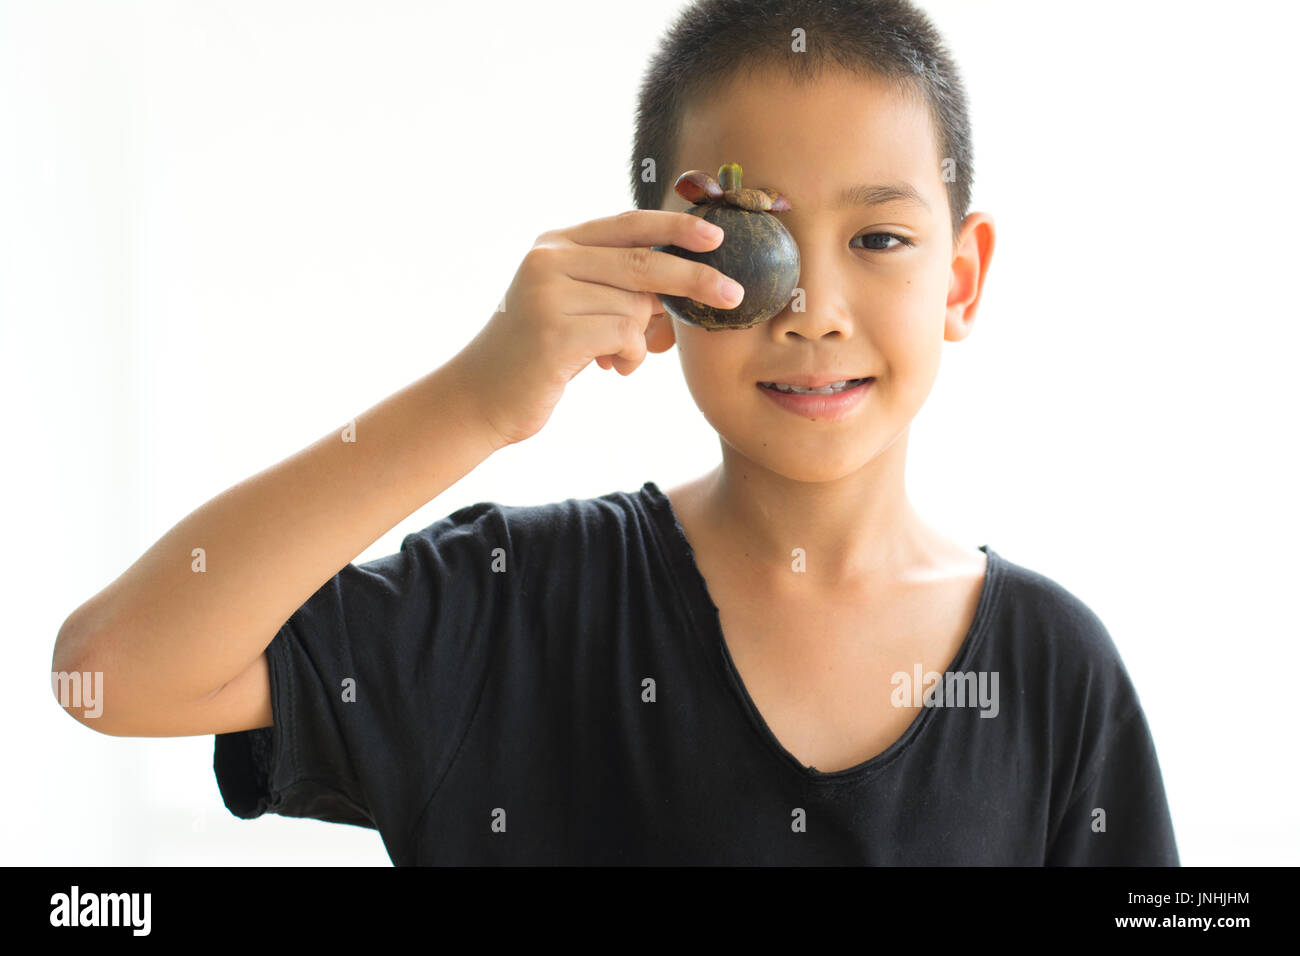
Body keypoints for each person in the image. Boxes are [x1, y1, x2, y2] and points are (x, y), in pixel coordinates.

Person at [52, 0, 1178, 865]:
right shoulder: (520, 601)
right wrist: (479, 398)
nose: (812, 309)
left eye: (880, 237)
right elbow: (112, 671)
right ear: (670, 257)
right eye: (754, 234)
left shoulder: (1052, 671)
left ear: (961, 278)